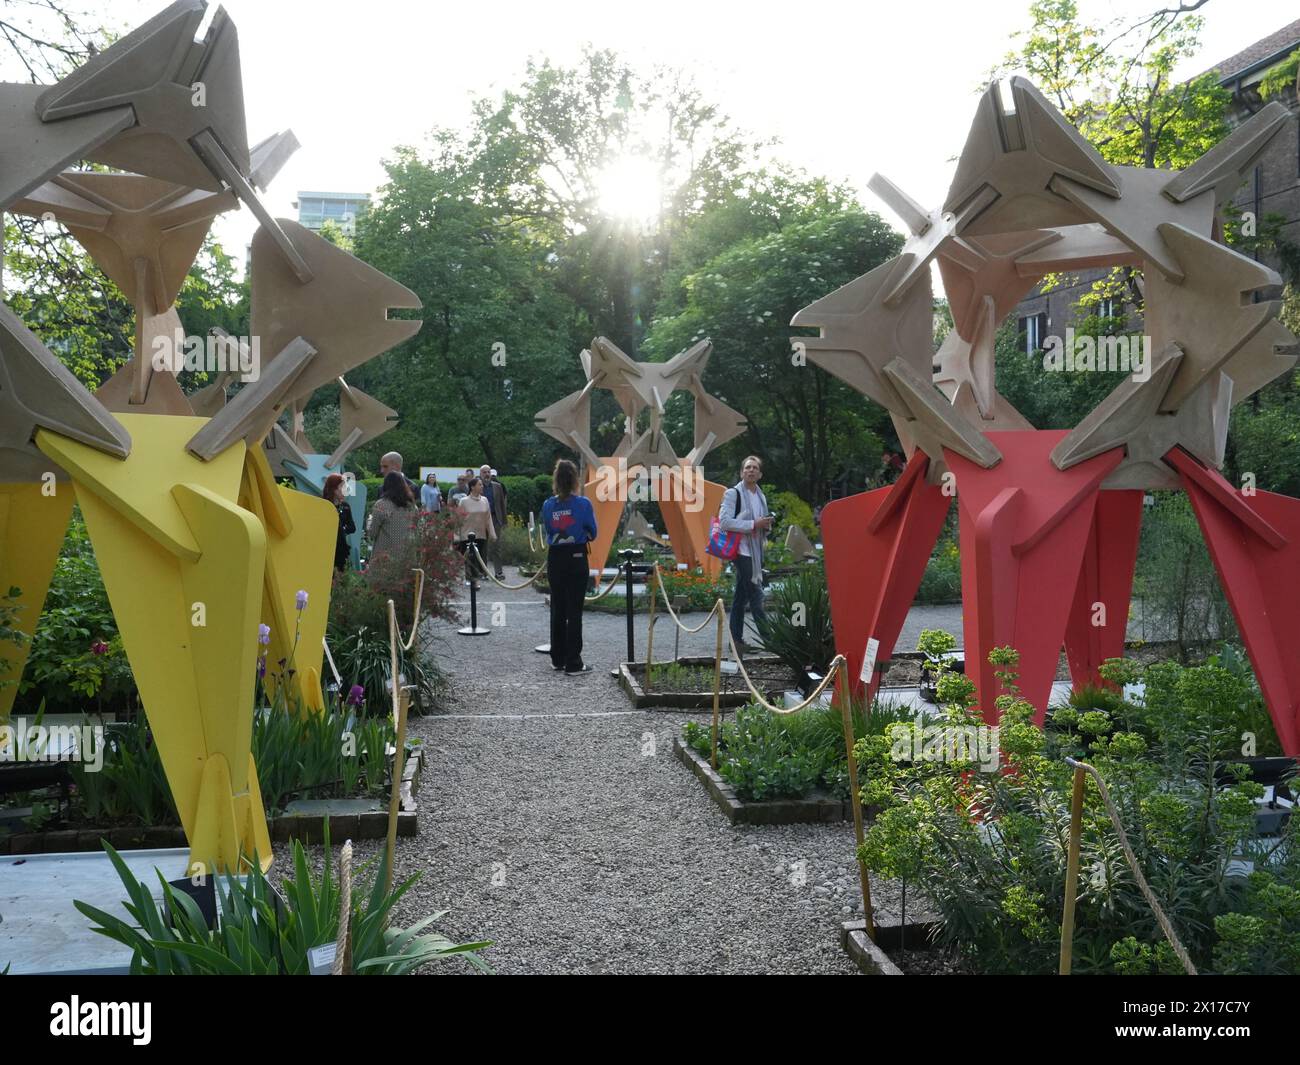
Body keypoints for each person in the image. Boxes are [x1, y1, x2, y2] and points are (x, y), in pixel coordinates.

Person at [541, 459, 597, 675]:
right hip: (575, 557)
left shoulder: (548, 505)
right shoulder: (583, 504)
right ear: (574, 479)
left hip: (555, 558)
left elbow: (547, 528)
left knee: (558, 608)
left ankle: (558, 658)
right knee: (574, 612)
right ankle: (574, 662)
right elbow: (592, 532)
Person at [719, 455, 772, 656]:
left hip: (755, 550)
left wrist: (765, 525)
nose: (750, 470)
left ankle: (736, 641)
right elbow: (724, 522)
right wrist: (753, 524)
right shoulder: (733, 494)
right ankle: (770, 641)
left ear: (760, 474)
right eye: (747, 467)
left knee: (740, 597)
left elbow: (760, 523)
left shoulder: (761, 496)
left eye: (754, 468)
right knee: (756, 595)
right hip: (740, 550)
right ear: (742, 472)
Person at [366, 471, 416, 562]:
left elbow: (372, 533)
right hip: (407, 556)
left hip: (385, 556)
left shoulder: (381, 505)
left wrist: (369, 521)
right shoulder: (412, 506)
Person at [456, 475, 497, 582]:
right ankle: (470, 579)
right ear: (472, 487)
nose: (482, 486)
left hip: (481, 534)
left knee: (479, 559)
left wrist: (492, 534)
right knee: (469, 558)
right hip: (466, 535)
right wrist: (456, 536)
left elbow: (488, 519)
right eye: (479, 485)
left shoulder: (485, 500)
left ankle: (477, 578)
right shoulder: (464, 501)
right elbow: (458, 519)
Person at [479, 464, 509, 579]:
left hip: (495, 518)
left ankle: (498, 572)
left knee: (496, 546)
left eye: (488, 472)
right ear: (480, 474)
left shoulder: (497, 486)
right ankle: (483, 572)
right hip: (482, 520)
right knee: (483, 546)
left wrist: (504, 520)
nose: (487, 474)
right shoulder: (477, 486)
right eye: (484, 472)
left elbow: (502, 504)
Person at [323, 473, 356, 572]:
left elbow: (352, 527)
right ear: (334, 488)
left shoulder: (345, 506)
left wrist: (341, 530)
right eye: (343, 486)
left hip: (341, 548)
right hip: (326, 548)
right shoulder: (323, 505)